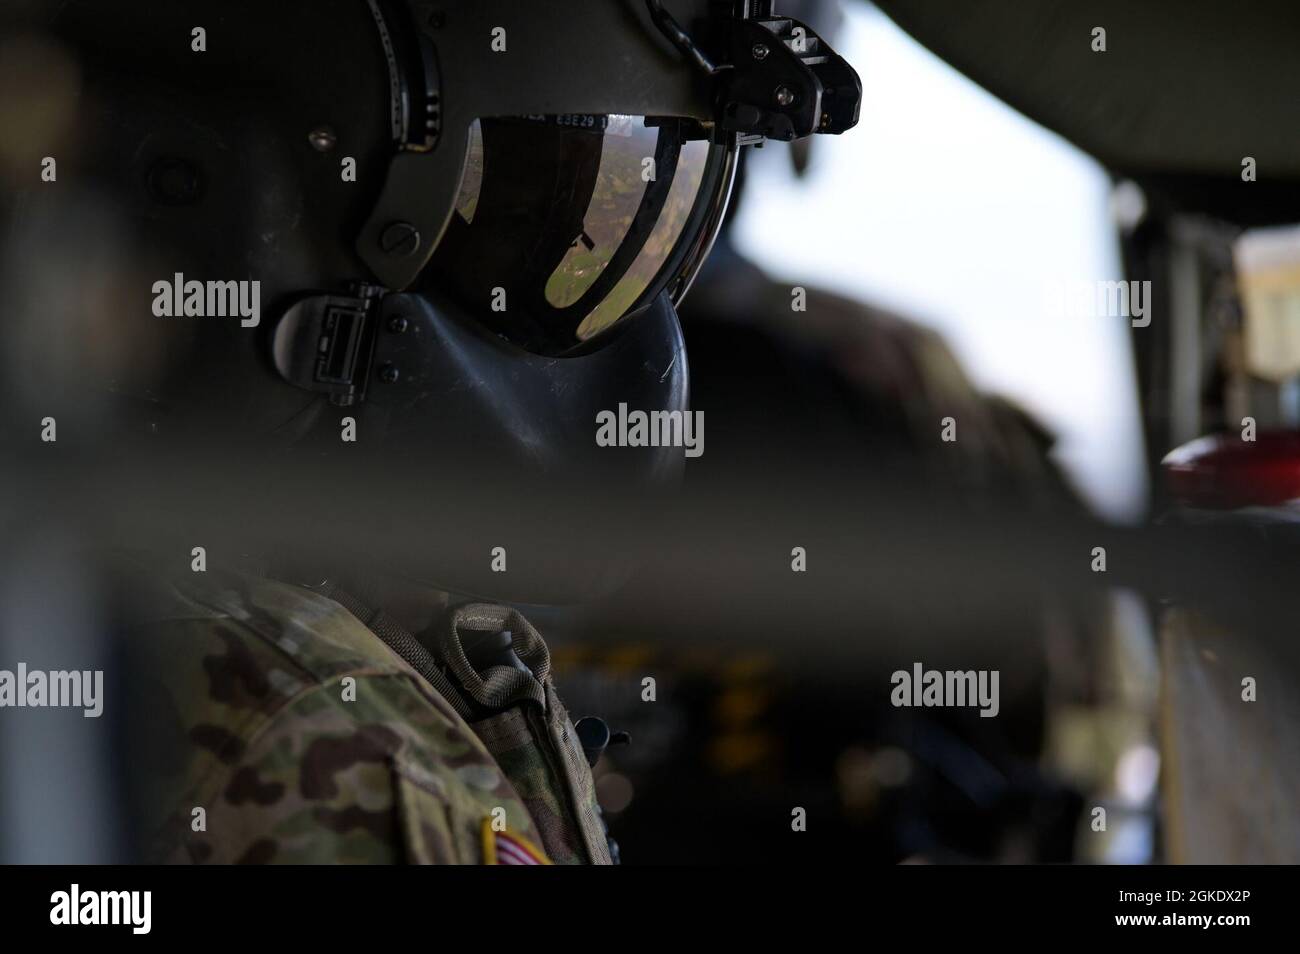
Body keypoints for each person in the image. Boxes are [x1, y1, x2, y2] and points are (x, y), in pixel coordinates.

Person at [0, 0, 860, 862]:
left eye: (650, 221)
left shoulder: (350, 650)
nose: (624, 336)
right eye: (527, 218)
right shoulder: (316, 728)